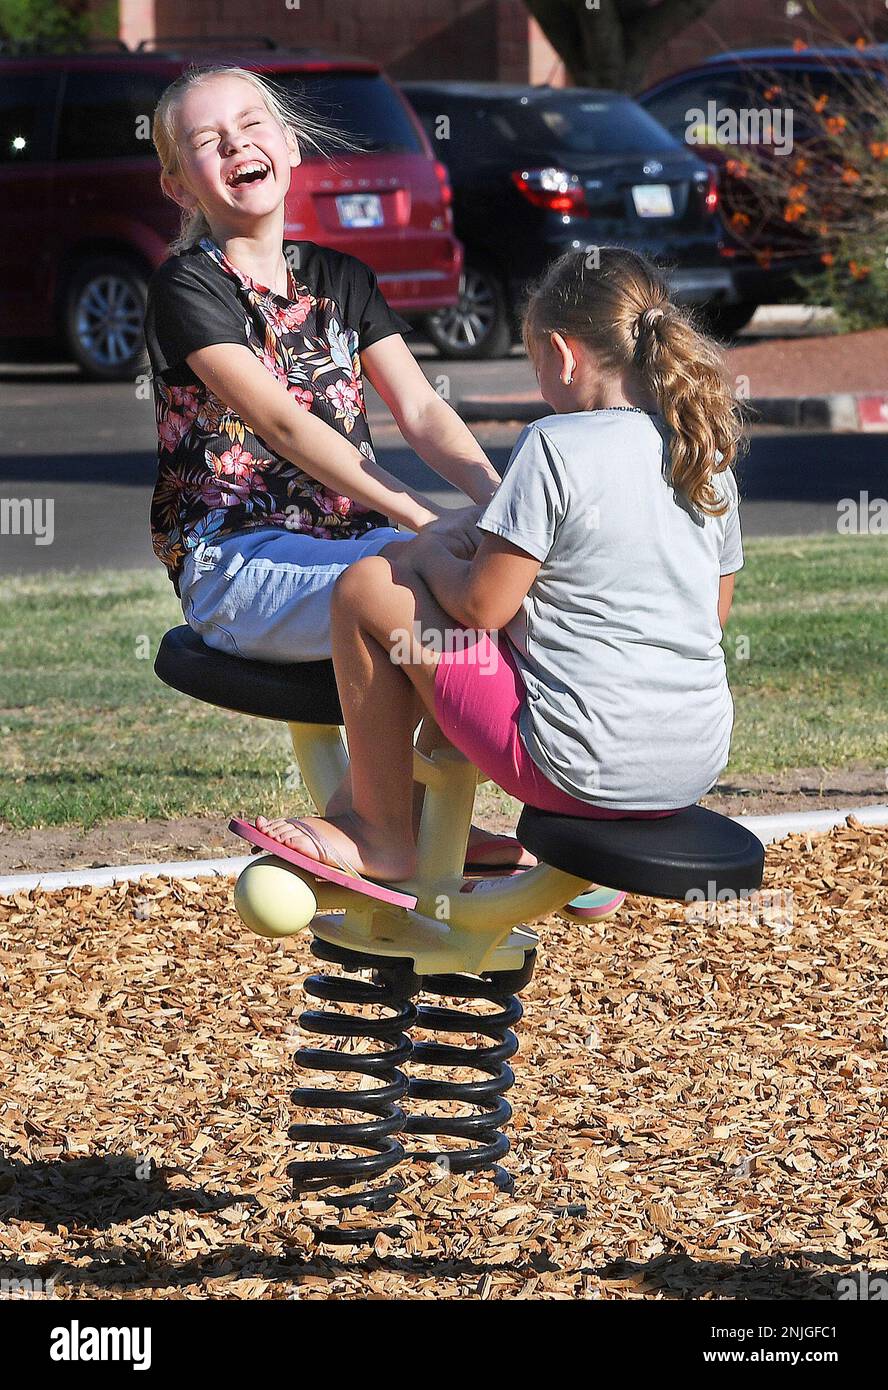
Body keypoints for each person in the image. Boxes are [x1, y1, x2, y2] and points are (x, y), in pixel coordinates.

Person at [252, 246, 746, 889]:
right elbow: (710, 613)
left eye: (535, 357)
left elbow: (484, 607)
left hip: (577, 771)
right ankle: (446, 819)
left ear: (563, 354)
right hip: (691, 765)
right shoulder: (701, 452)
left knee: (370, 583)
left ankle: (380, 832)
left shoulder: (554, 444)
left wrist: (427, 552)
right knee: (474, 626)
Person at [143, 63, 532, 871]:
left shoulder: (341, 280)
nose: (236, 143)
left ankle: (445, 809)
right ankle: (387, 829)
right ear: (181, 186)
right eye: (207, 141)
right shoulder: (190, 286)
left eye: (252, 125)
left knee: (495, 577)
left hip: (356, 557)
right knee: (415, 572)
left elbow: (423, 414)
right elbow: (282, 422)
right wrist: (424, 519)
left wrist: (506, 510)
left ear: (286, 144)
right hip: (235, 563)